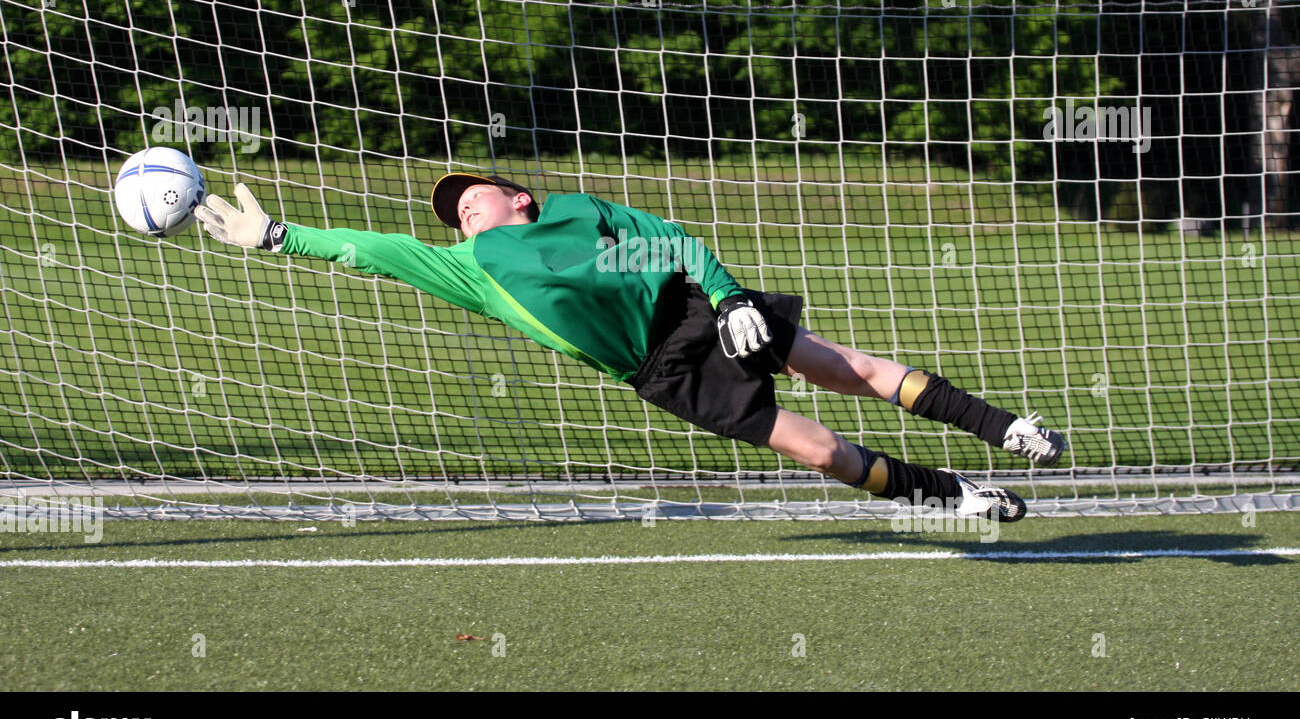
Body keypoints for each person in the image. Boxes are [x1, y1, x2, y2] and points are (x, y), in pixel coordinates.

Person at [195, 172, 1066, 522]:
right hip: (659, 368)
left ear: (519, 196)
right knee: (821, 451)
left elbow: (673, 242)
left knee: (854, 371)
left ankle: (1006, 429)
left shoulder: (579, 213)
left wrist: (727, 301)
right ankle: (953, 494)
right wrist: (279, 236)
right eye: (453, 204)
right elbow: (379, 253)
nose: (461, 204)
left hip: (694, 309)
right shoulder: (475, 267)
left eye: (473, 194)